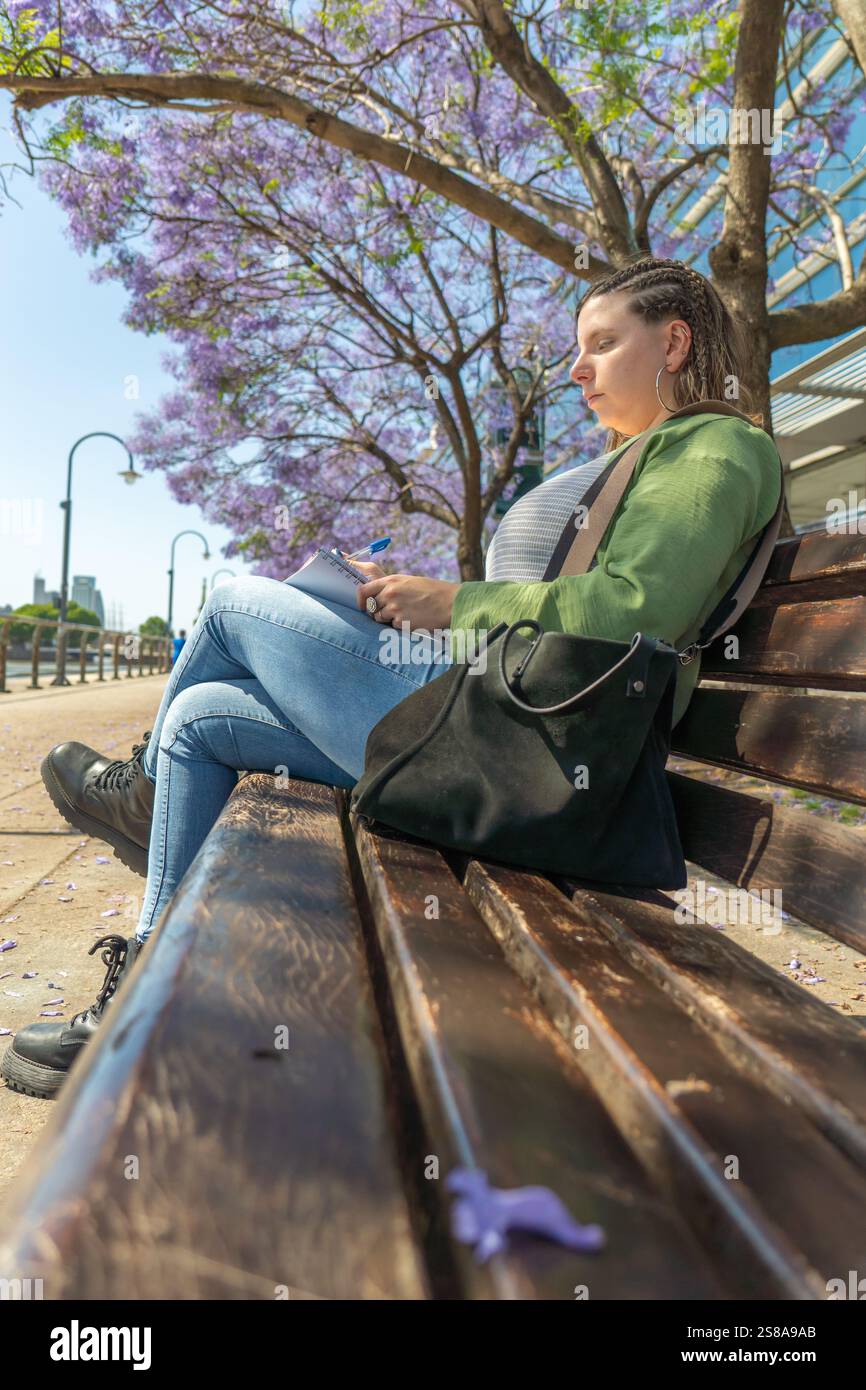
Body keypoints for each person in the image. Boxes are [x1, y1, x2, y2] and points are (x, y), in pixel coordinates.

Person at [1, 256, 782, 1099]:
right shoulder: (643, 458)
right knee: (198, 715)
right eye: (575, 349)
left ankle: (144, 794)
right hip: (494, 737)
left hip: (533, 765)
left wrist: (454, 604)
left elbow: (636, 611)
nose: (577, 369)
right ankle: (144, 1007)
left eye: (601, 344)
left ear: (673, 343)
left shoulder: (717, 443)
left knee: (231, 602)